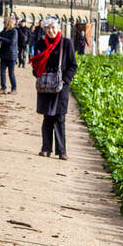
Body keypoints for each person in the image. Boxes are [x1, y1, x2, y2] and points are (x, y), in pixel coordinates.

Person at [31, 17, 77, 159]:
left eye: (53, 28)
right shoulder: (40, 43)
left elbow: (73, 65)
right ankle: (46, 148)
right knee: (47, 118)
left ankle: (61, 151)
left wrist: (65, 80)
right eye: (48, 28)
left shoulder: (66, 43)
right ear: (44, 29)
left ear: (58, 28)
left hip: (60, 86)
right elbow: (35, 64)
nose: (50, 30)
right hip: (45, 85)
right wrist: (39, 74)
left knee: (59, 118)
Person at [0, 15, 19, 93]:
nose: (4, 24)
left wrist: (1, 38)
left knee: (11, 73)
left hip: (11, 55)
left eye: (5, 22)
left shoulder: (14, 31)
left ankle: (14, 88)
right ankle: (3, 88)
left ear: (8, 23)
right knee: (2, 72)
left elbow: (12, 42)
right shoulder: (4, 30)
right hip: (3, 54)